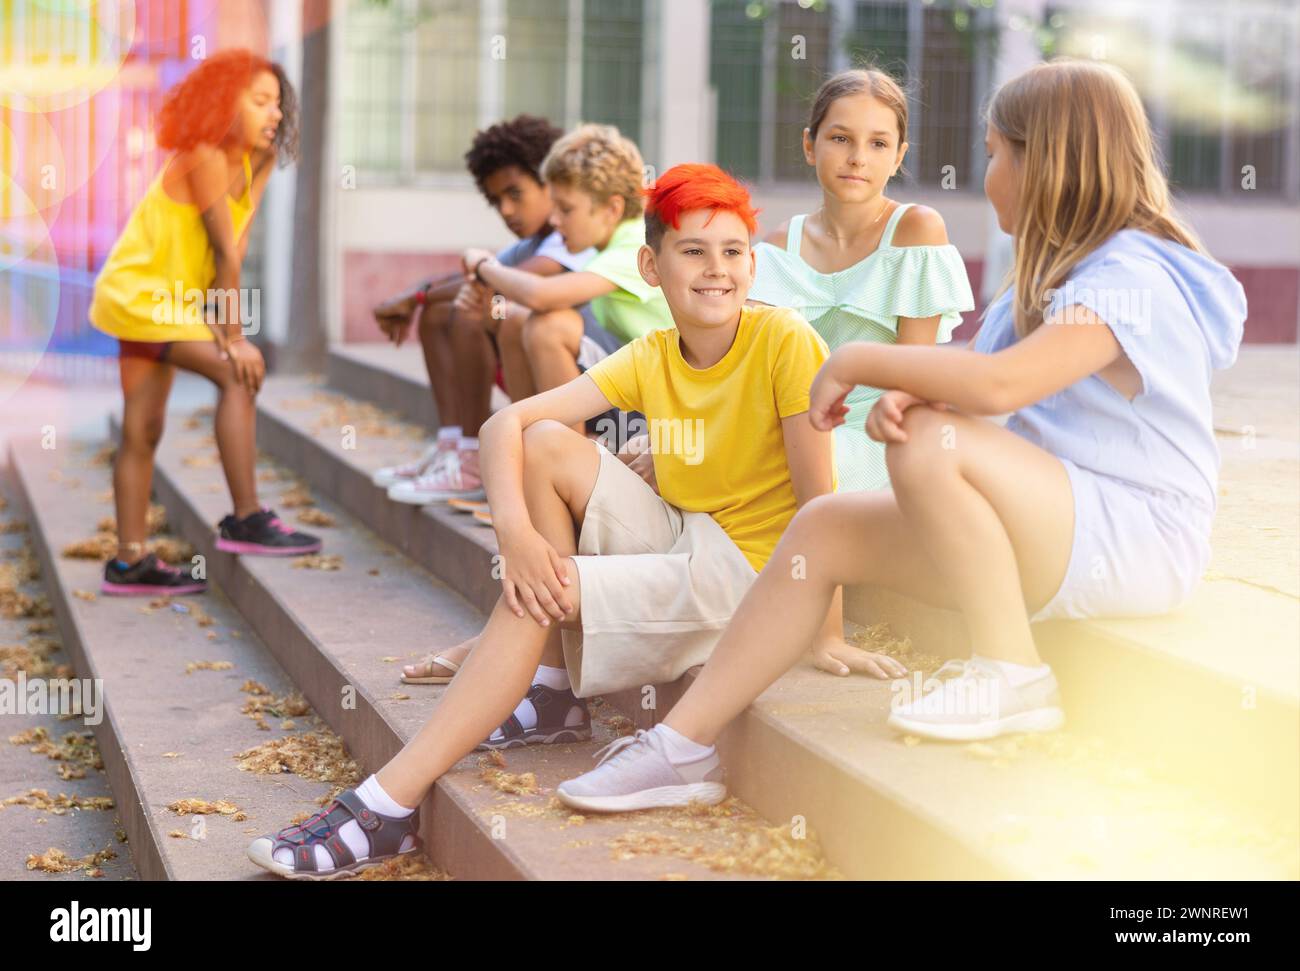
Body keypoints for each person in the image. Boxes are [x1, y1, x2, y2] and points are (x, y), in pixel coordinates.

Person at [554, 58, 1246, 813]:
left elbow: (1001, 384)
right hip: (1060, 528)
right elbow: (989, 405)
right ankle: (680, 748)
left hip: (1138, 537)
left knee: (926, 441)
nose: (987, 176)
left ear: (1043, 161)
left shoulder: (1129, 276)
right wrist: (917, 398)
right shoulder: (1041, 282)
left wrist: (861, 363)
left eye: (994, 155)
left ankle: (1012, 670)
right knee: (822, 528)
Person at [246, 163, 900, 878]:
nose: (717, 270)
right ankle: (553, 690)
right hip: (688, 538)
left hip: (748, 581)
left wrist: (824, 628)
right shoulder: (652, 355)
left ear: (754, 261)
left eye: (734, 251)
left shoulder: (785, 340)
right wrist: (516, 537)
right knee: (549, 446)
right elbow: (507, 426)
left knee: (536, 594)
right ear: (651, 265)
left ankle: (388, 803)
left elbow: (820, 505)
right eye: (694, 251)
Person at [749, 66, 974, 678]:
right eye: (840, 138)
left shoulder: (917, 229)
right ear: (809, 144)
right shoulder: (776, 245)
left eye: (878, 143)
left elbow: (915, 378)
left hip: (877, 430)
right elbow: (756, 370)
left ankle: (825, 629)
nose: (857, 158)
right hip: (793, 421)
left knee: (810, 458)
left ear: (899, 155)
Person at [90, 48, 320, 597]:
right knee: (235, 373)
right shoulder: (203, 154)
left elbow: (233, 247)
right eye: (260, 101)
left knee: (143, 428)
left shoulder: (252, 163)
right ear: (223, 104)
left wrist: (220, 326)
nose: (276, 115)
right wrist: (234, 340)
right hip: (143, 294)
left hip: (169, 301)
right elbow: (227, 255)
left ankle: (130, 563)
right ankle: (246, 517)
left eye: (278, 105)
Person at [370, 115, 595, 504]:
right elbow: (478, 278)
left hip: (589, 385)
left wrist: (414, 296)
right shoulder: (527, 244)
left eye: (515, 194)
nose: (506, 210)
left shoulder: (572, 237)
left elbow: (508, 282)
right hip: (544, 371)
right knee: (444, 312)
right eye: (496, 201)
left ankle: (476, 457)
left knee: (480, 308)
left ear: (549, 182)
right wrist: (421, 296)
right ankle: (455, 446)